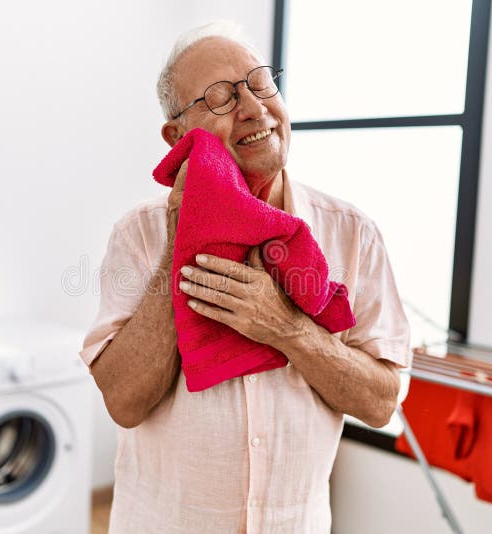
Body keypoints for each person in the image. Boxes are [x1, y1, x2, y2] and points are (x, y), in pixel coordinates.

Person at [81, 21, 411, 534]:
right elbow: (123, 403)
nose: (254, 109)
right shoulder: (138, 235)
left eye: (261, 84)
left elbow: (381, 399)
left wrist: (286, 328)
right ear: (177, 138)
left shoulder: (352, 234)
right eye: (220, 98)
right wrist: (178, 244)